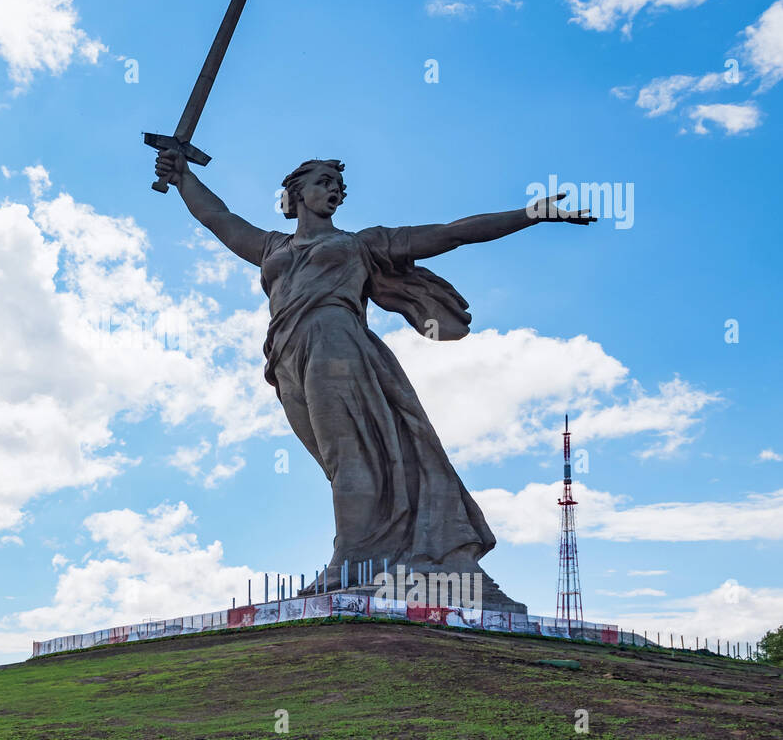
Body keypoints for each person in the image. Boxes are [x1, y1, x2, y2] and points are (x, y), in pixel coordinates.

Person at [154, 150, 593, 601]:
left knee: (350, 456)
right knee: (336, 461)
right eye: (324, 182)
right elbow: (217, 217)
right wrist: (182, 175)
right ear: (295, 193)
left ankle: (350, 561)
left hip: (337, 344)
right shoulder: (270, 247)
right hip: (285, 356)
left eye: (338, 188)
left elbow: (452, 234)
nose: (334, 192)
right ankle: (377, 553)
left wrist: (531, 214)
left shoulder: (360, 244)